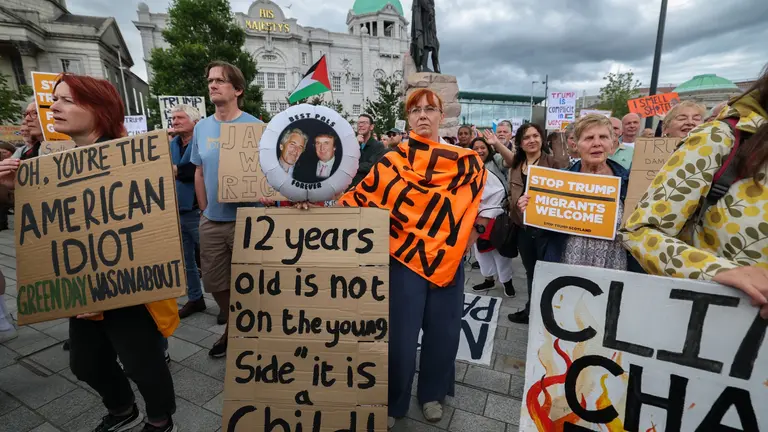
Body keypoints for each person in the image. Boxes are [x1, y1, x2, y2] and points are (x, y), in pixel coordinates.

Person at [0, 73, 179, 432]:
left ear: (99, 108)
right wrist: (11, 190)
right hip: (82, 287)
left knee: (142, 363)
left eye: (66, 99)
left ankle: (160, 419)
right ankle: (122, 408)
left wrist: (111, 289)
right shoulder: (50, 163)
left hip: (130, 289)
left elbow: (153, 232)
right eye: (55, 99)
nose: (55, 106)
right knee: (85, 364)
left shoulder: (135, 158)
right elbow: (49, 228)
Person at [338, 88, 488, 428]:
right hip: (404, 261)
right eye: (415, 110)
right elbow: (360, 198)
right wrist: (311, 201)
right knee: (400, 337)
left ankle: (432, 394)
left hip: (446, 263)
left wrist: (470, 234)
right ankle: (393, 401)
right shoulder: (392, 161)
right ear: (408, 118)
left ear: (441, 116)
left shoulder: (466, 162)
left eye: (429, 109)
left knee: (444, 332)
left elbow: (486, 203)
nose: (423, 115)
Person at [621, 67, 768, 320]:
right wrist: (717, 271)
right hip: (713, 324)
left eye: (695, 118)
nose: (689, 123)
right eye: (682, 118)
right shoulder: (721, 139)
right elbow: (640, 231)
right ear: (665, 128)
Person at [190, 61, 262, 358]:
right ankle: (235, 322)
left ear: (238, 89)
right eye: (210, 80)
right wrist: (205, 209)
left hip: (248, 220)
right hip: (212, 221)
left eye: (220, 80)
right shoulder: (201, 128)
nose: (213, 85)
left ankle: (244, 332)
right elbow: (198, 170)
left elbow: (267, 172)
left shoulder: (256, 127)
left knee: (254, 282)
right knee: (215, 282)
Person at [519, 115, 635, 274]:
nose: (596, 143)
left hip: (612, 265)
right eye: (588, 138)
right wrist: (531, 208)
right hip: (567, 265)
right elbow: (543, 231)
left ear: (612, 142)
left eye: (603, 137)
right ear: (576, 144)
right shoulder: (558, 181)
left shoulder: (628, 182)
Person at [507, 123, 569, 324]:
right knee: (531, 270)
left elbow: (565, 164)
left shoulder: (552, 162)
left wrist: (559, 133)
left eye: (535, 136)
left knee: (548, 271)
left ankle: (547, 313)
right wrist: (516, 203)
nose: (532, 140)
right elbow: (511, 196)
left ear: (542, 139)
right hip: (524, 229)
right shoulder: (517, 166)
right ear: (520, 143)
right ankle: (532, 310)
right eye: (526, 137)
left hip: (547, 230)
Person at [169, 104, 206, 319]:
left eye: (180, 117)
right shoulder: (172, 144)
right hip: (176, 211)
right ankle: (195, 298)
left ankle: (224, 302)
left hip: (196, 210)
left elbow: (194, 170)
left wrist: (175, 170)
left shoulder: (202, 143)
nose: (175, 121)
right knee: (186, 261)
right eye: (173, 118)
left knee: (211, 258)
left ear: (194, 121)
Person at [468, 137, 515, 297]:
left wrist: (497, 144)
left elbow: (511, 161)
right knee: (481, 253)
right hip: (475, 216)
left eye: (483, 147)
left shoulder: (496, 161)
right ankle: (488, 279)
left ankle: (507, 282)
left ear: (489, 149)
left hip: (497, 217)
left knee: (500, 253)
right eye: (476, 148)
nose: (480, 151)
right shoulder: (467, 166)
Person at [350, 113, 385, 188]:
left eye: (364, 123)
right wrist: (355, 144)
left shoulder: (378, 146)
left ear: (371, 127)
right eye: (358, 123)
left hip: (366, 188)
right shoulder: (353, 143)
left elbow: (371, 166)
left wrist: (352, 166)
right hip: (350, 188)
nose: (360, 125)